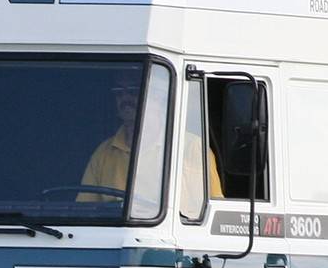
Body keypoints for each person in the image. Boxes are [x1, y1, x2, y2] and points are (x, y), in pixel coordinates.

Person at [78, 74, 224, 202]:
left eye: (134, 92)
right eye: (119, 93)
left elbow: (213, 211)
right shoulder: (104, 153)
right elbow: (84, 210)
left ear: (160, 98)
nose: (125, 98)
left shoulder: (191, 147)